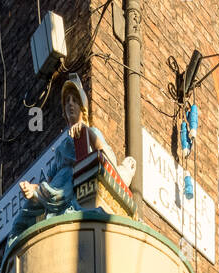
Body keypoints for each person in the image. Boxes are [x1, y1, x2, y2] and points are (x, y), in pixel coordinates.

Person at [7, 75, 132, 247]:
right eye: (67, 102)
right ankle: (14, 251)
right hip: (53, 187)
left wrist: (86, 133)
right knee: (21, 219)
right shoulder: (61, 147)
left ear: (82, 108)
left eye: (74, 101)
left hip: (68, 185)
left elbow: (107, 156)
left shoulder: (91, 131)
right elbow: (48, 180)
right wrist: (32, 188)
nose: (70, 104)